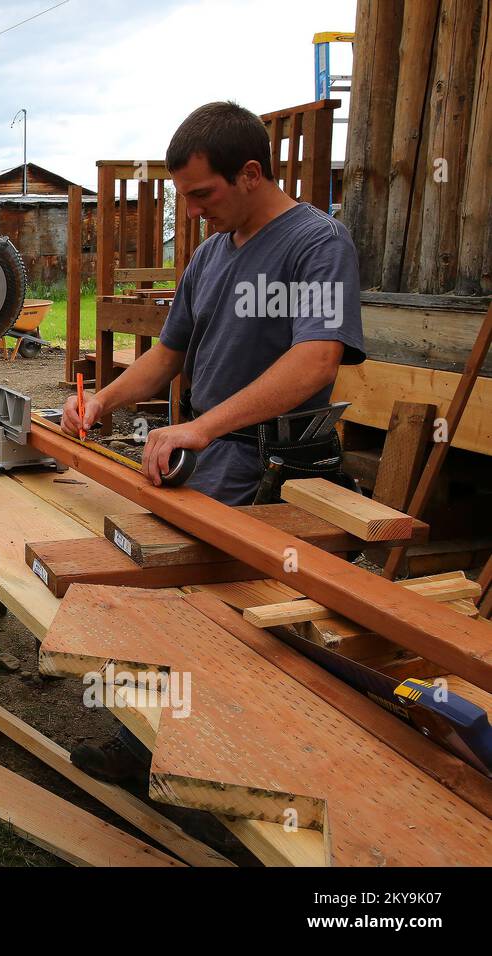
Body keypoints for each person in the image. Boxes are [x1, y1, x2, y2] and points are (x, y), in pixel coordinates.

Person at [62, 102, 366, 783]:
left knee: (222, 615)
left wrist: (201, 425)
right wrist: (103, 401)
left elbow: (317, 360)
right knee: (164, 595)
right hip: (209, 451)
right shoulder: (207, 254)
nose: (193, 210)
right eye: (184, 197)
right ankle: (151, 747)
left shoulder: (316, 245)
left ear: (251, 173)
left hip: (273, 460)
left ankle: (212, 760)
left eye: (203, 193)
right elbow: (167, 354)